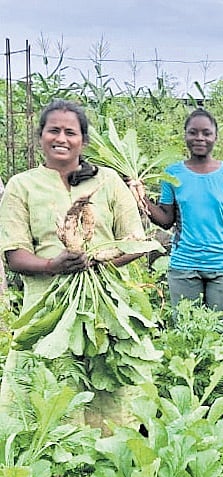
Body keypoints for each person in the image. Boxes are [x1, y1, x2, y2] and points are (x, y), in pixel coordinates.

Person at [0, 98, 147, 426]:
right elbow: (14, 254)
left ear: (83, 140)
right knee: (45, 388)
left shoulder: (108, 182)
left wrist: (101, 260)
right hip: (46, 306)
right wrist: (53, 266)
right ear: (41, 136)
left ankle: (110, 454)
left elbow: (137, 241)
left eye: (70, 132)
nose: (61, 139)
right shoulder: (21, 186)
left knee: (110, 382)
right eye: (54, 131)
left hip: (104, 303)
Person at [138, 108, 223, 313]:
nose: (199, 138)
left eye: (206, 133)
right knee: (186, 330)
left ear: (215, 136)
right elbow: (165, 220)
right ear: (185, 135)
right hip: (184, 265)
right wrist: (141, 198)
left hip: (222, 265)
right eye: (193, 132)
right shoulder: (172, 173)